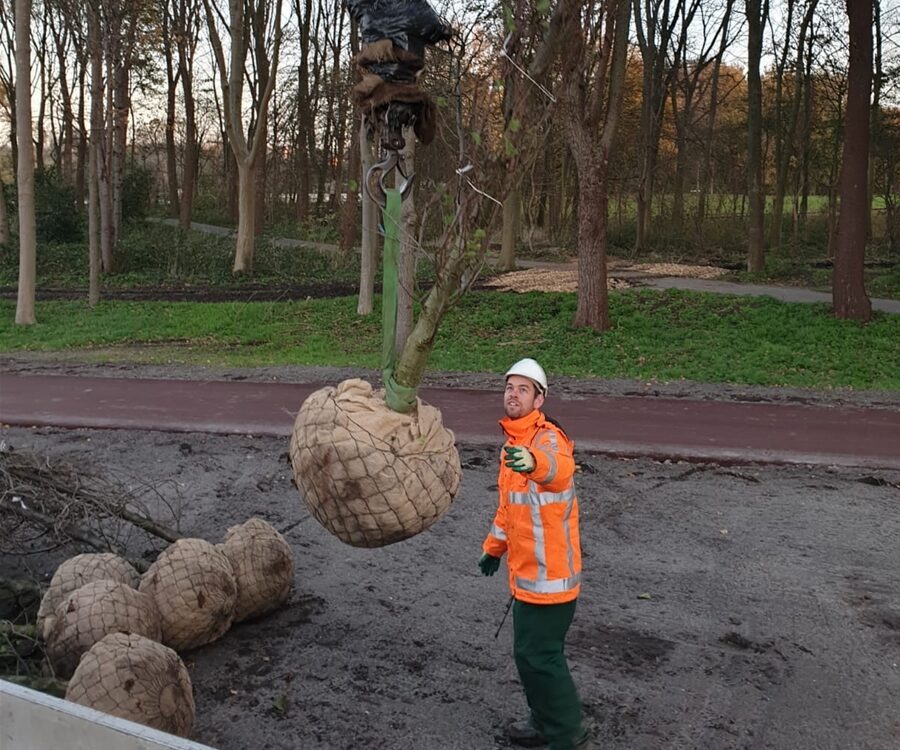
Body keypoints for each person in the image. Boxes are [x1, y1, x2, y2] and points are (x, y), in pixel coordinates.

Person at [478, 358, 590, 750]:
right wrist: (493, 549)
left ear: (539, 400)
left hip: (551, 580)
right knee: (530, 657)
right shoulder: (512, 445)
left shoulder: (547, 439)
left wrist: (535, 463)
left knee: (540, 658)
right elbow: (509, 509)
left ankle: (567, 734)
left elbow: (560, 468)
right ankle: (543, 722)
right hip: (528, 576)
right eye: (510, 387)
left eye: (524, 389)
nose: (514, 394)